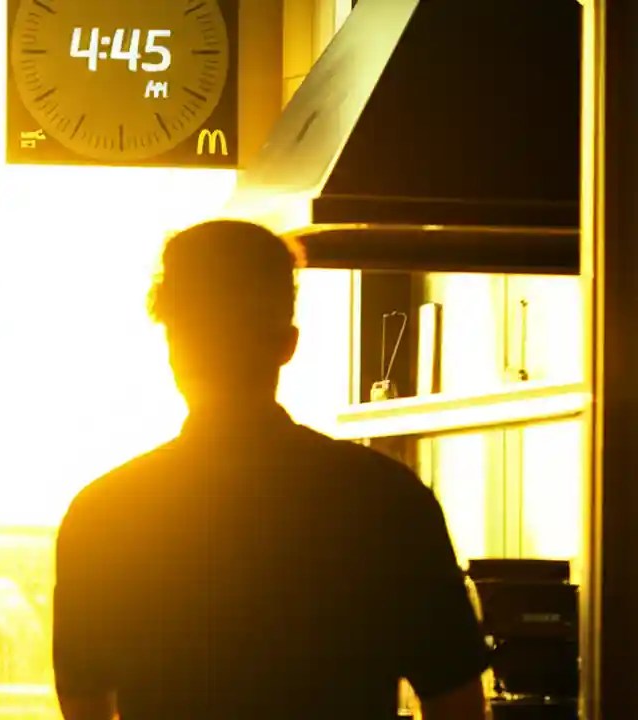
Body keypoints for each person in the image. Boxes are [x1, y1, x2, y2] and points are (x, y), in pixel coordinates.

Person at [52, 221, 489, 720]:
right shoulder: (389, 502)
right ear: (287, 343)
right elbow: (456, 704)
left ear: (174, 349)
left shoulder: (105, 514)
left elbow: (85, 705)